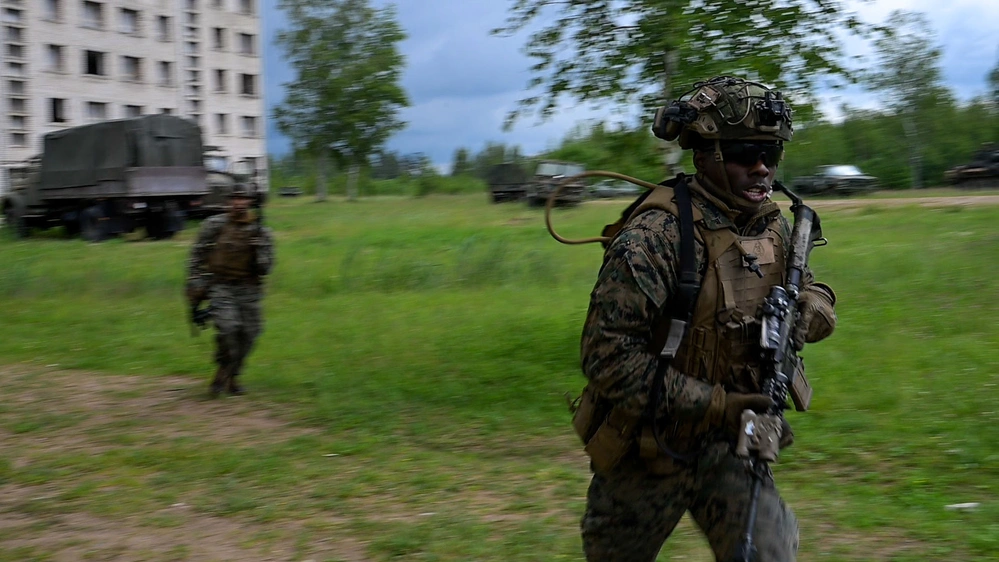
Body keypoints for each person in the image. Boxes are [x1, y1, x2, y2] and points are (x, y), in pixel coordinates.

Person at [575, 76, 837, 561]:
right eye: (743, 153)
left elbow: (814, 290)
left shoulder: (774, 225)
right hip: (647, 451)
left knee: (769, 552)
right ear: (706, 155)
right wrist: (719, 404)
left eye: (771, 155)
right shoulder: (656, 236)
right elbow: (607, 358)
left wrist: (811, 311)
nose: (761, 169)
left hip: (731, 451)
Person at [186, 183, 275, 397]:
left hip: (249, 289)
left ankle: (231, 375)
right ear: (227, 202)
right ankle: (223, 373)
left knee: (249, 334)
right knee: (228, 329)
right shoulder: (213, 225)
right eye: (234, 198)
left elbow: (266, 268)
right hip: (220, 286)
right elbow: (196, 256)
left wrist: (259, 248)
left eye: (243, 198)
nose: (238, 203)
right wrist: (195, 284)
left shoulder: (261, 232)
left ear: (250, 201)